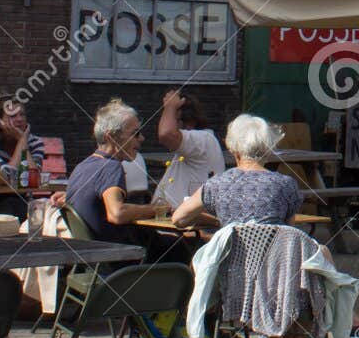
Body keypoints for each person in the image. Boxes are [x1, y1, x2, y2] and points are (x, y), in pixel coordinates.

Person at [65, 99, 166, 247]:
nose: (142, 138)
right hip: (120, 259)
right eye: (135, 133)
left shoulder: (82, 166)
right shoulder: (111, 167)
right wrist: (155, 209)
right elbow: (117, 213)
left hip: (91, 257)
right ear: (111, 137)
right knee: (183, 246)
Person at [173, 114, 303, 228]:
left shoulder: (217, 184)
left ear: (233, 150)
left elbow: (179, 219)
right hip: (273, 255)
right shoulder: (286, 184)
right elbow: (288, 231)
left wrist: (218, 222)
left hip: (232, 255)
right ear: (268, 150)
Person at [156, 89, 227, 207]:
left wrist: (170, 107)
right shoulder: (195, 143)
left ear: (189, 121)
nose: (170, 123)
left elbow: (166, 134)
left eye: (174, 120)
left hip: (186, 223)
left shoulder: (203, 139)